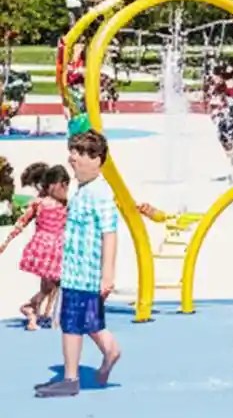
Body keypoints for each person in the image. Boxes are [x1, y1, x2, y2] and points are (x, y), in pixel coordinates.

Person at [36, 130, 122, 398]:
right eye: (71, 153)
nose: (72, 159)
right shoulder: (83, 189)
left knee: (72, 324)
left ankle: (71, 378)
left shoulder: (101, 193)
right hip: (74, 271)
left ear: (96, 159)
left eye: (78, 155)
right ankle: (110, 351)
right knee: (90, 323)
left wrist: (107, 275)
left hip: (85, 274)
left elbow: (110, 233)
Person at [1, 164, 70, 330]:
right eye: (63, 185)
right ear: (52, 185)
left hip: (53, 248)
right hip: (47, 248)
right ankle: (32, 308)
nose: (65, 189)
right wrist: (6, 242)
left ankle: (37, 314)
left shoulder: (60, 203)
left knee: (49, 284)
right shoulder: (41, 203)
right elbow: (21, 222)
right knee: (53, 283)